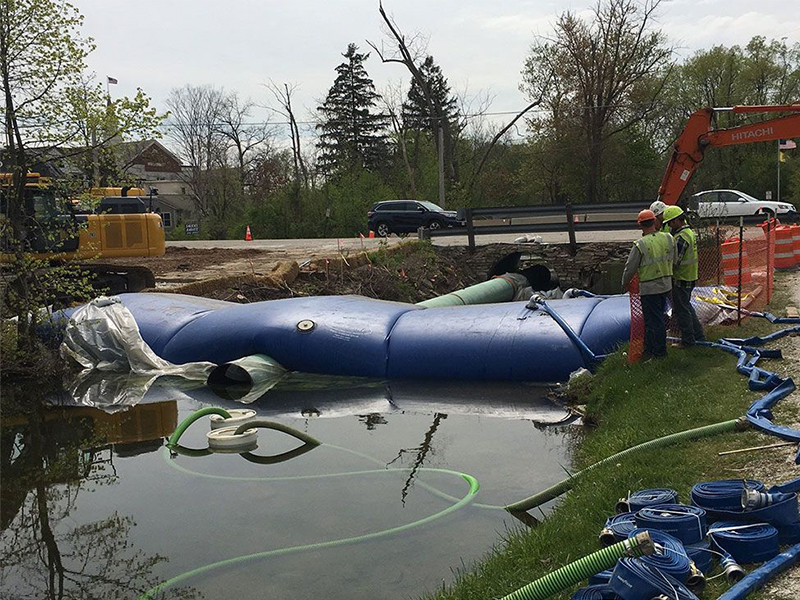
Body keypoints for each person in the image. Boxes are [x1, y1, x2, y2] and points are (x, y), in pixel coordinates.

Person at [621, 209, 675, 359]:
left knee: (653, 321)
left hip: (649, 288)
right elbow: (674, 258)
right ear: (655, 221)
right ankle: (651, 350)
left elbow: (630, 267)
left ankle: (658, 353)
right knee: (659, 318)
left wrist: (624, 284)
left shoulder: (640, 244)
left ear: (640, 225)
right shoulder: (668, 238)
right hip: (666, 284)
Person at [663, 205, 705, 347]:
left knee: (682, 311)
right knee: (687, 307)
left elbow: (676, 260)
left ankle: (688, 341)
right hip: (690, 276)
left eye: (670, 223)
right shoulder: (688, 232)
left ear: (676, 221)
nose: (669, 226)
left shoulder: (681, 237)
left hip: (682, 278)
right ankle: (699, 336)